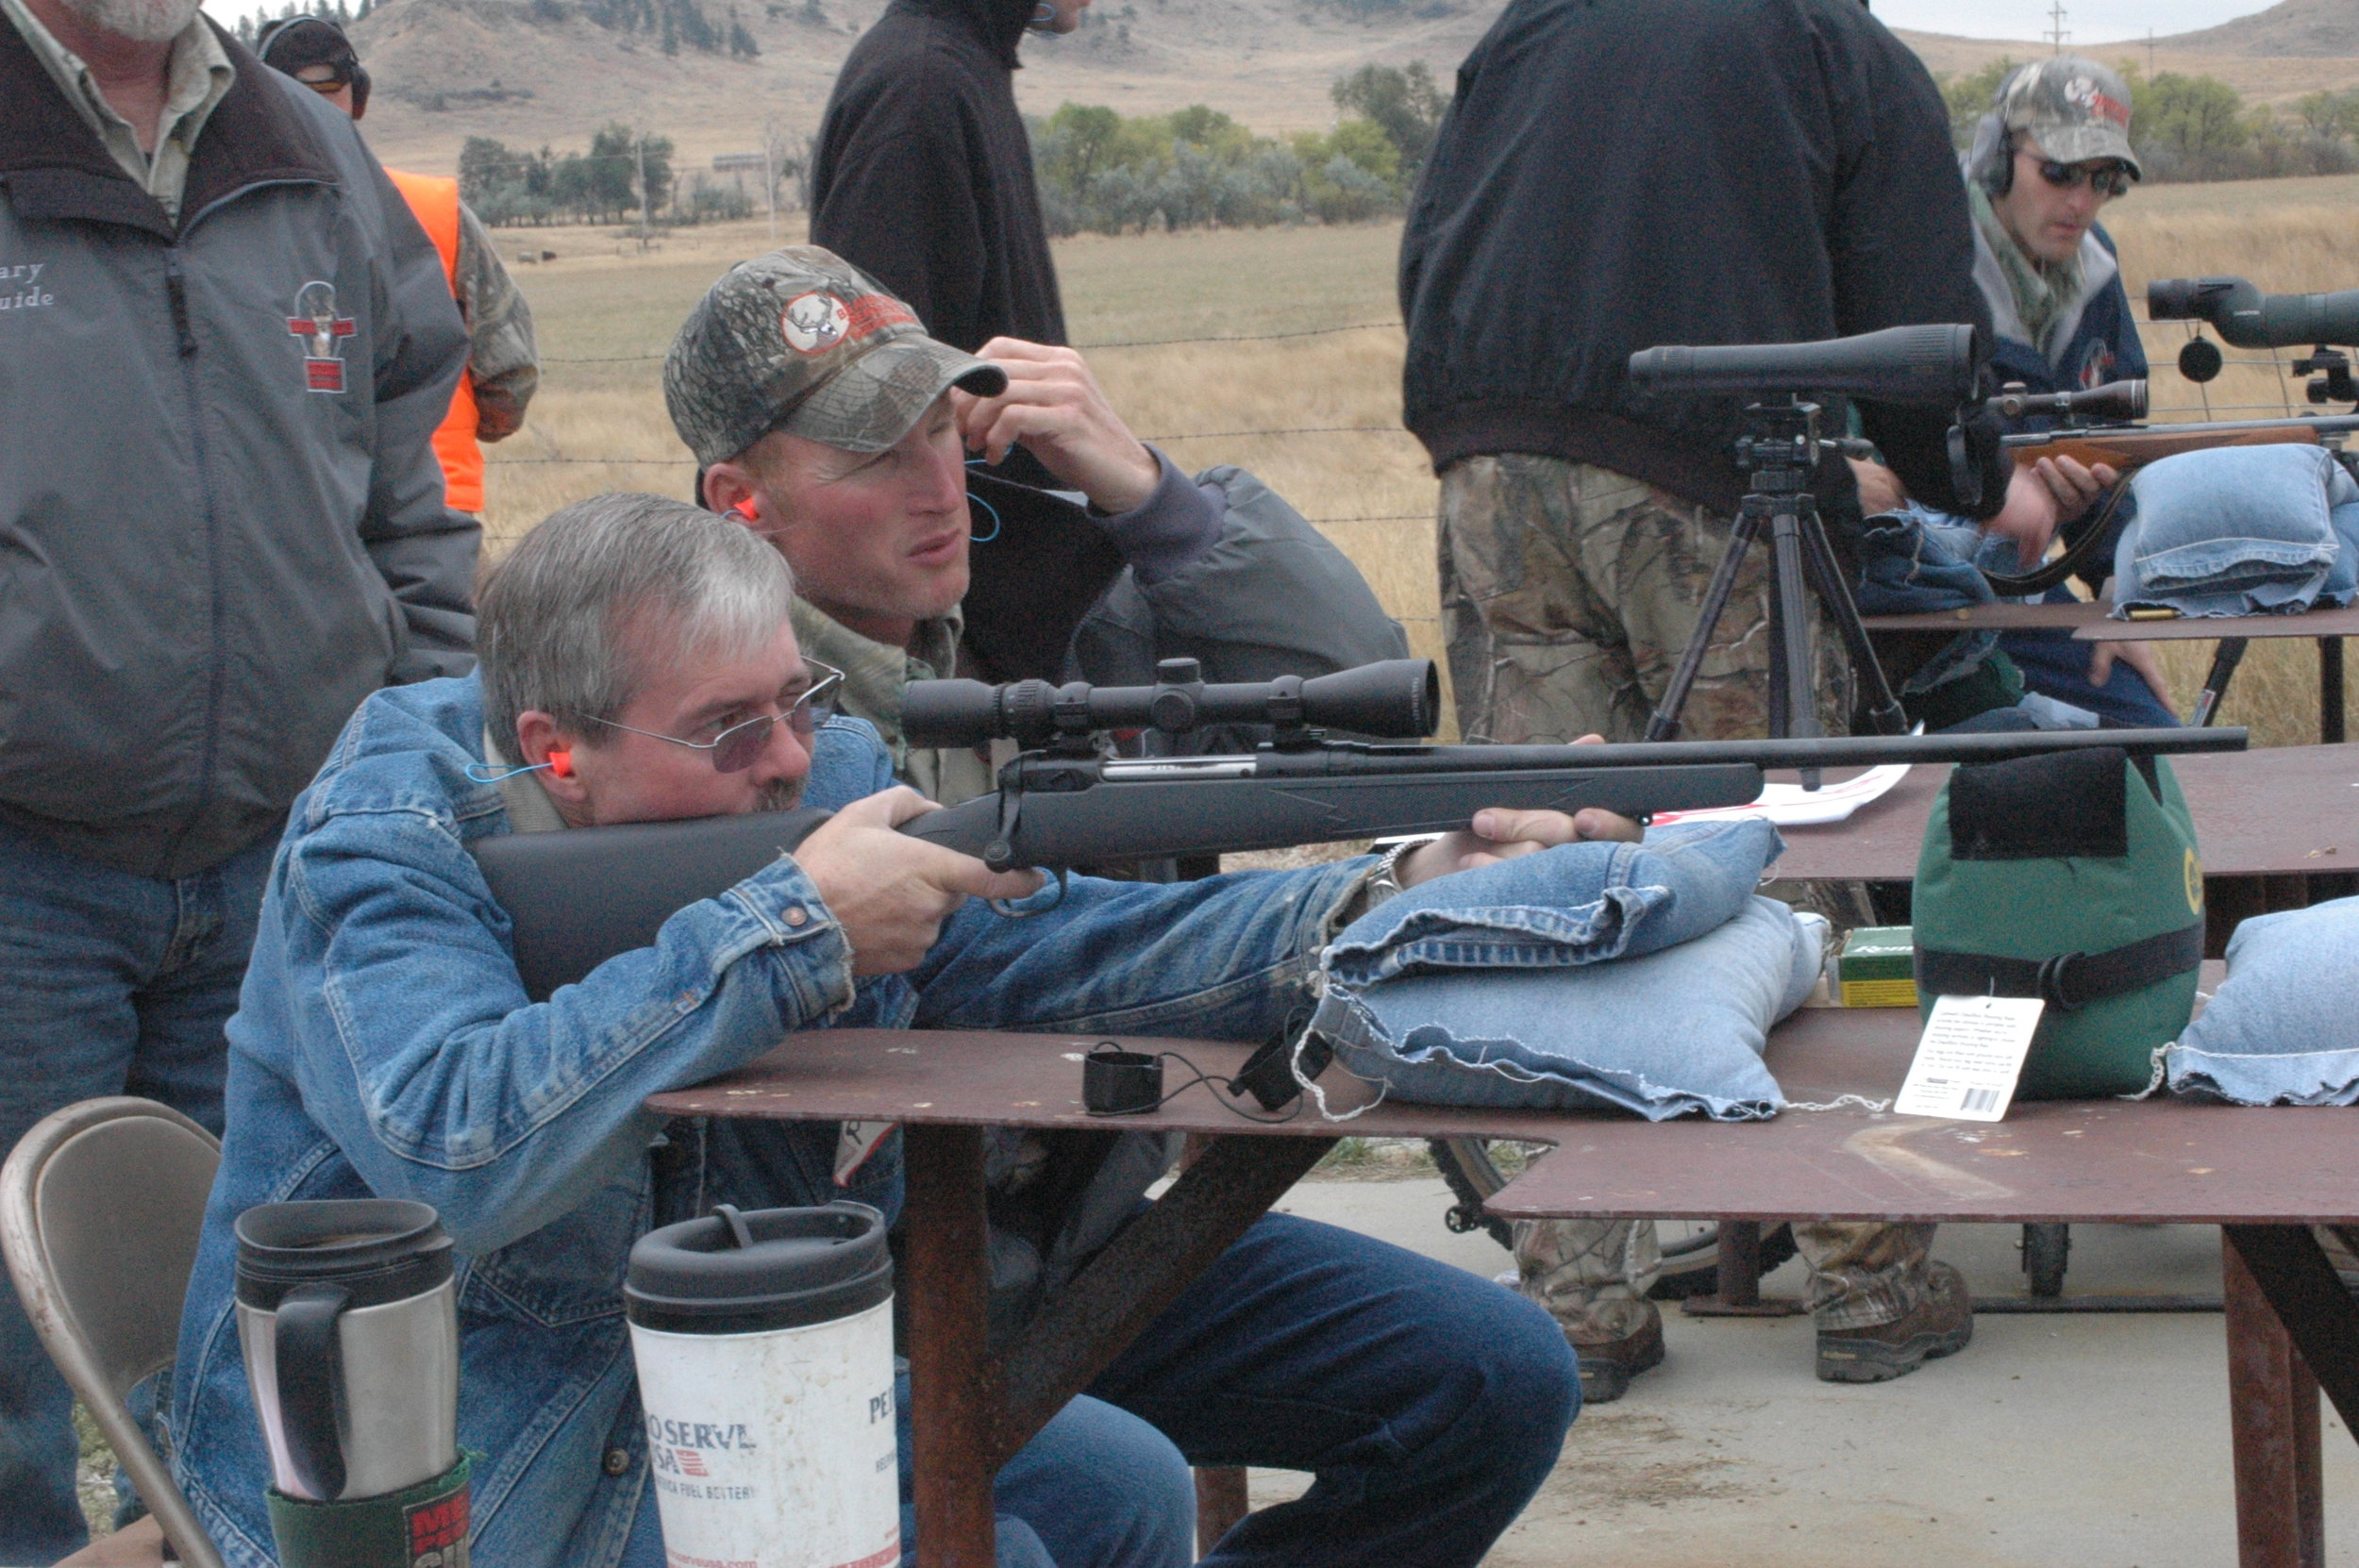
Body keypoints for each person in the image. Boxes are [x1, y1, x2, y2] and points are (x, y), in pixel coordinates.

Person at [167, 491, 1608, 1568]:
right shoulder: (388, 833)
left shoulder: (811, 767)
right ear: (559, 751)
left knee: (1168, 1471)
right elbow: (452, 1147)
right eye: (730, 730)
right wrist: (790, 931)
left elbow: (1060, 945)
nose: (795, 757)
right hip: (472, 1446)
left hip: (751, 1349)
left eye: (793, 697)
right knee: (1022, 1535)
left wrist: (1396, 890)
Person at [1397, 0, 2049, 1398]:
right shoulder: (1835, 44)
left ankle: (1578, 1295)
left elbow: (1427, 248)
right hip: (1709, 482)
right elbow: (1921, 326)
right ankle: (1868, 1270)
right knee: (1781, 846)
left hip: (1489, 463)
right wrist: (1985, 481)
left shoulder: (1536, 25)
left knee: (1543, 868)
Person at [0, 0, 473, 1552]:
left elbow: (409, 466)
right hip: (22, 867)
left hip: (284, 856)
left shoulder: (306, 149)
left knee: (283, 1340)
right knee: (6, 1361)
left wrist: (408, 730)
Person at [669, 246, 1407, 807]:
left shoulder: (1064, 611)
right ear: (742, 500)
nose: (940, 489)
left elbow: (1364, 710)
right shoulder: (699, 725)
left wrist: (1163, 510)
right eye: (874, 459)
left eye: (938, 431)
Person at [1960, 54, 2177, 728]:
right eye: (2057, 172)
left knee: (2151, 737)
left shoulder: (2094, 266)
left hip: (2024, 581)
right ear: (1996, 157)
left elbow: (2117, 445)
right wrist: (1990, 490)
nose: (2080, 203)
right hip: (1917, 582)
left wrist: (2117, 590)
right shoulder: (1924, 260)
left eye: (2104, 179)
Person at [256, 14, 541, 520]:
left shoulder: (227, 226)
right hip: (434, 518)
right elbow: (509, 378)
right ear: (359, 98)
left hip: (293, 524)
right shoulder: (435, 211)